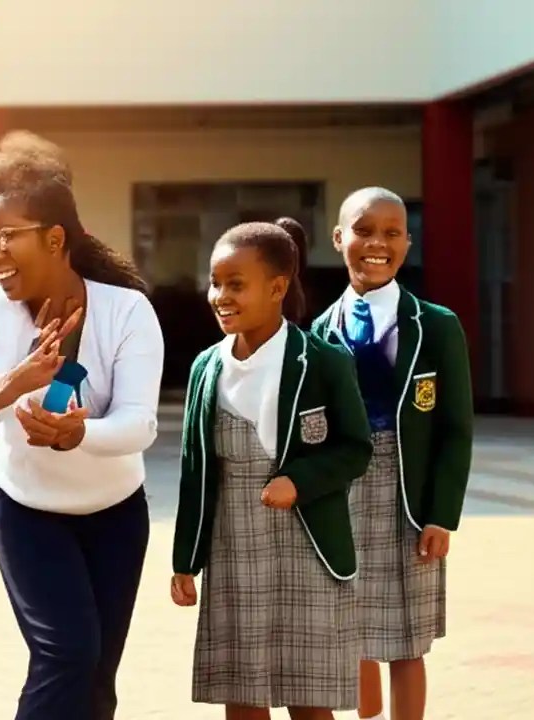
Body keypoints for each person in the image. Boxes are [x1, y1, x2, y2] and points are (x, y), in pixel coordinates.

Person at [0, 132, 164, 720]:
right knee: (67, 653)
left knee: (98, 679)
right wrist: (28, 378)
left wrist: (78, 433)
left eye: (5, 237)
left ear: (55, 237)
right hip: (26, 508)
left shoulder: (126, 311)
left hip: (116, 513)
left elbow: (139, 423)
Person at [171, 219, 372, 720]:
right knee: (242, 693)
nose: (220, 296)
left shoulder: (323, 362)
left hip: (306, 542)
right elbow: (196, 470)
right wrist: (185, 560)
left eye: (235, 284)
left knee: (308, 696)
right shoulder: (205, 367)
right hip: (232, 545)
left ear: (278, 287)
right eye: (215, 283)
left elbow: (355, 448)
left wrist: (298, 482)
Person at [310, 188, 473, 720]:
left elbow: (455, 429)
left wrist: (441, 514)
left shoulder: (437, 326)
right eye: (362, 230)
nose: (376, 243)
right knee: (347, 621)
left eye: (391, 232)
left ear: (408, 242)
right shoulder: (319, 332)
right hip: (342, 489)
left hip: (408, 493)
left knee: (406, 634)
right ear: (339, 239)